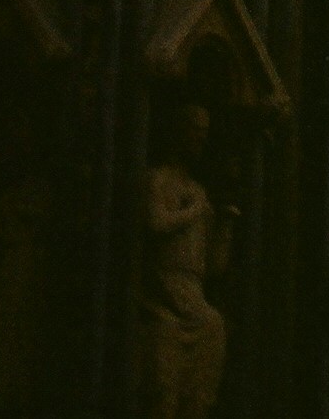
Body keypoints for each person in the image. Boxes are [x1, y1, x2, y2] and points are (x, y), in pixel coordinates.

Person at [138, 101, 236, 419]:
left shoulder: (199, 192)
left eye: (204, 133)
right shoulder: (157, 180)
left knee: (213, 330)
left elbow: (212, 268)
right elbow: (155, 223)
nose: (199, 140)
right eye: (194, 130)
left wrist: (226, 226)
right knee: (163, 395)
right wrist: (193, 211)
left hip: (194, 300)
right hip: (163, 299)